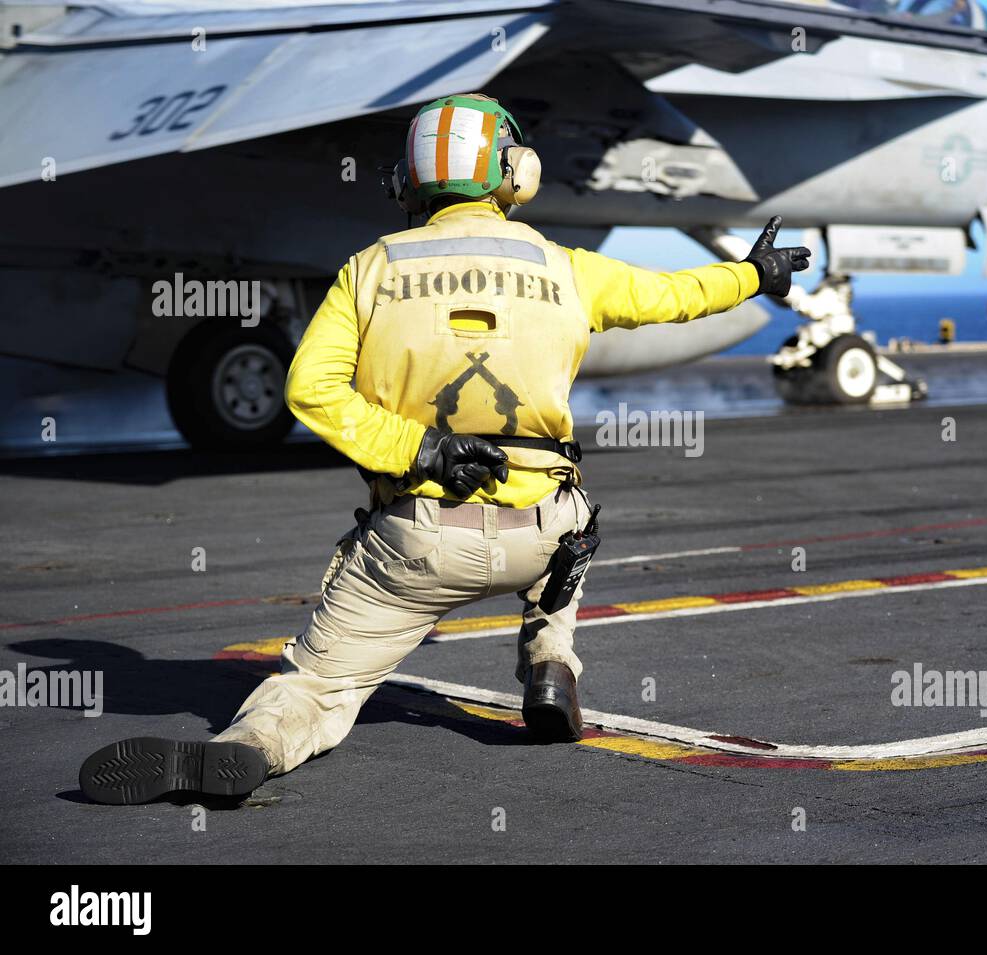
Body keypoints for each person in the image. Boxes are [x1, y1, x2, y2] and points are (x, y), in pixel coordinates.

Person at [78, 92, 811, 805]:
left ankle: (248, 748)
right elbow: (673, 295)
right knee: (577, 514)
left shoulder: (369, 270)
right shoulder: (567, 268)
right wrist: (756, 274)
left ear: (413, 180)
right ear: (513, 173)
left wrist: (421, 449)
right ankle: (550, 663)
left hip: (418, 541)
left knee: (315, 688)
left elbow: (310, 390)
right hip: (539, 534)